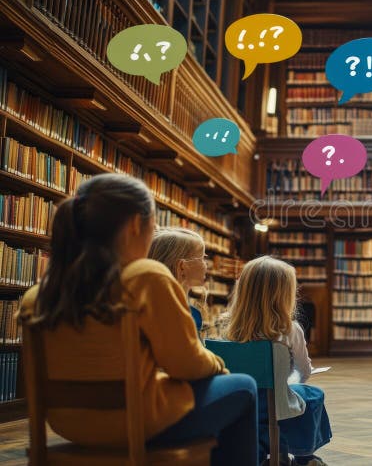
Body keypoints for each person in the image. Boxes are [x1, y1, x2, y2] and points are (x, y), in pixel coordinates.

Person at [17, 173, 258, 466]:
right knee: (244, 386)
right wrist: (218, 364)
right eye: (152, 226)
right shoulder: (144, 278)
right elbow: (187, 364)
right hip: (135, 423)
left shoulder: (39, 295)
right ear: (135, 224)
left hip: (69, 424)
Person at [221, 255, 332, 466]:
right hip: (277, 402)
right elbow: (303, 373)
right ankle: (304, 455)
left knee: (271, 409)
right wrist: (287, 379)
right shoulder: (290, 330)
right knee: (313, 396)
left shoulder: (227, 329)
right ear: (284, 294)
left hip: (242, 402)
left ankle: (267, 450)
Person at [148, 227, 208, 333]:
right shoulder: (185, 315)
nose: (206, 265)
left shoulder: (149, 308)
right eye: (202, 258)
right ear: (182, 267)